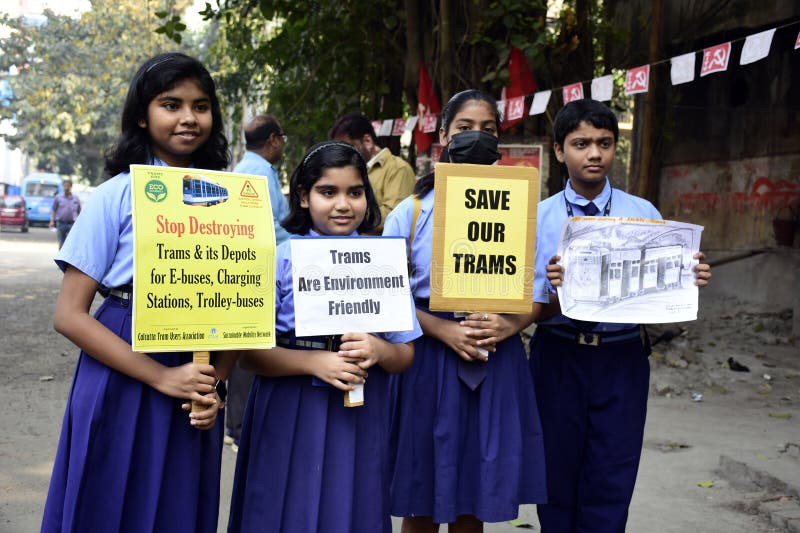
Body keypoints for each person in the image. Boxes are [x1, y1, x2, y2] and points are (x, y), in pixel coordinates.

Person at [41, 53, 236, 533]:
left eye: (201, 105)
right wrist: (159, 377)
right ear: (142, 116)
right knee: (107, 503)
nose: (189, 117)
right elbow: (69, 314)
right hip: (123, 363)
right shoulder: (116, 195)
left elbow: (243, 308)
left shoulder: (234, 198)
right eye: (171, 104)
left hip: (198, 370)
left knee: (178, 505)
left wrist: (213, 385)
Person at [529, 98, 712, 533]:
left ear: (615, 148)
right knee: (556, 471)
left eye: (604, 143)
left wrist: (690, 274)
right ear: (559, 151)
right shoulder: (537, 218)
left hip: (622, 357)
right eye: (581, 143)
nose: (594, 153)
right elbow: (522, 297)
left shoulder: (643, 213)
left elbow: (661, 284)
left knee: (613, 470)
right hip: (558, 355)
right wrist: (551, 284)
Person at [227, 140, 422, 533]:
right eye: (327, 192)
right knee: (283, 504)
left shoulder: (381, 259)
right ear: (303, 196)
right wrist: (314, 362)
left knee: (352, 505)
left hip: (360, 407)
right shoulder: (279, 259)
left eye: (354, 192)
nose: (343, 204)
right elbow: (248, 353)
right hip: (289, 402)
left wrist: (380, 349)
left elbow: (405, 355)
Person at [383, 89, 547, 532]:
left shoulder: (520, 210)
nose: (477, 137)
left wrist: (510, 325)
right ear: (442, 135)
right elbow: (386, 293)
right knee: (421, 491)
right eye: (465, 128)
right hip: (426, 359)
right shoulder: (411, 212)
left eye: (488, 130)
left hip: (494, 357)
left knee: (476, 489)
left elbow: (538, 292)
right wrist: (443, 330)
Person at [226, 114, 291, 451]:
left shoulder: (243, 167)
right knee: (252, 348)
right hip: (260, 269)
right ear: (273, 140)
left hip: (245, 265)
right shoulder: (261, 173)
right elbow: (271, 227)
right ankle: (240, 426)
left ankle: (236, 424)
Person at [329, 113, 415, 234]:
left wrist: (345, 217)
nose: (342, 154)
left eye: (347, 147)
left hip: (383, 250)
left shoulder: (398, 168)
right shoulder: (351, 170)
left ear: (367, 141)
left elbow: (393, 216)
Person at [49, 178, 81, 249]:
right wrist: (52, 221)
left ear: (71, 186)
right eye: (65, 186)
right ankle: (61, 259)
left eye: (68, 186)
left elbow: (79, 212)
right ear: (62, 186)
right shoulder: (58, 197)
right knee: (61, 242)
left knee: (71, 243)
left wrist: (80, 224)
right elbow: (54, 210)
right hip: (61, 224)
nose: (66, 188)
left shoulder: (75, 198)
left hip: (72, 224)